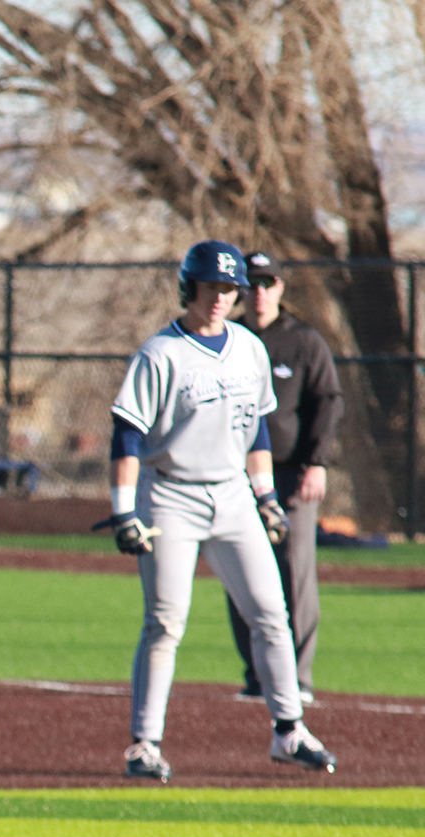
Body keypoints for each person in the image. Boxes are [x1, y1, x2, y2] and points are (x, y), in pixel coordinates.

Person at [101, 239, 336, 782]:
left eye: (230, 289)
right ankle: (144, 744)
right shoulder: (161, 353)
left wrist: (266, 496)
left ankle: (288, 730)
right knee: (165, 622)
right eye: (211, 288)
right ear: (189, 289)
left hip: (232, 494)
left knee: (271, 613)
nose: (221, 298)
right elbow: (127, 435)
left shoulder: (248, 348)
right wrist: (122, 510)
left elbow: (254, 426)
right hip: (170, 494)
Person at [226, 251, 343, 705]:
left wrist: (317, 462)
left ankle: (296, 677)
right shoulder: (228, 339)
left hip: (291, 474)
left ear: (280, 288)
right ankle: (257, 675)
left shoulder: (303, 340)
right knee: (240, 572)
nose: (259, 292)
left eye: (267, 282)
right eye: (251, 283)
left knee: (293, 571)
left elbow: (328, 402)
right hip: (235, 477)